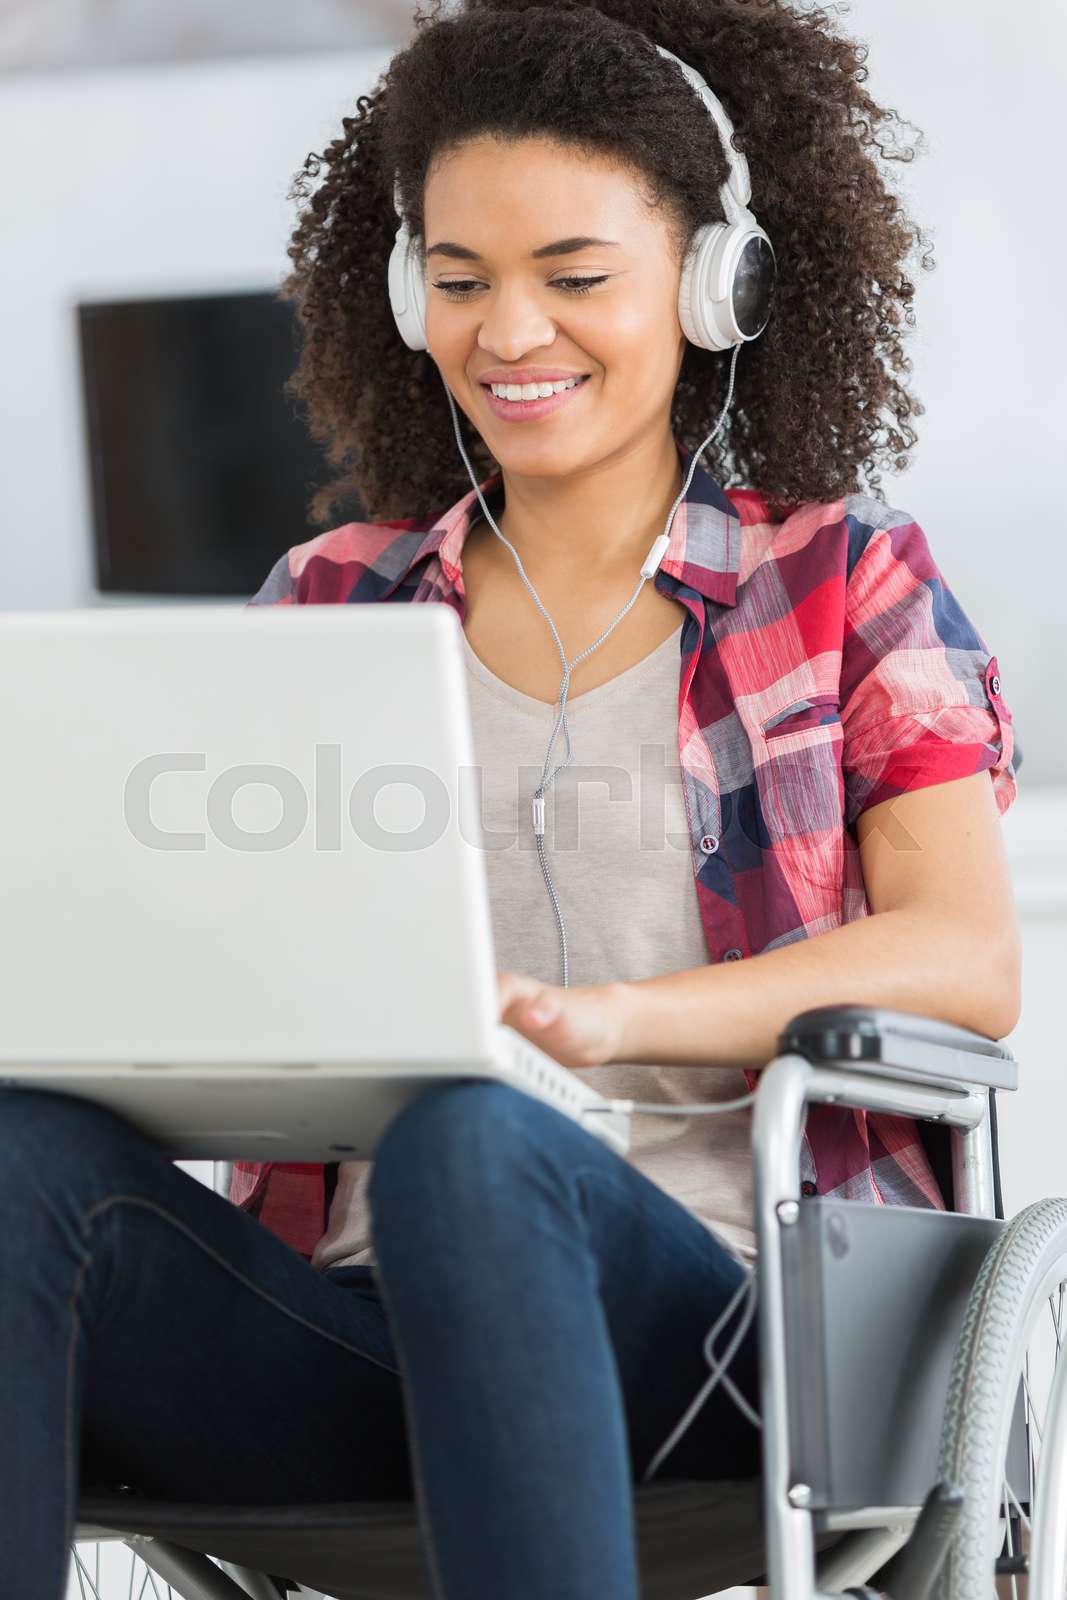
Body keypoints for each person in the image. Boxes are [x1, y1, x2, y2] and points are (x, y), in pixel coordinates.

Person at [1, 3, 1022, 1597]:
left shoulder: (833, 578)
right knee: (17, 1153)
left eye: (575, 276)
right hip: (355, 1346)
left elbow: (967, 959)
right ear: (408, 293)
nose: (511, 332)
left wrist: (624, 1017)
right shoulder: (328, 602)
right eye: (461, 281)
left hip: (728, 1348)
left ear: (709, 282)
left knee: (466, 1145)